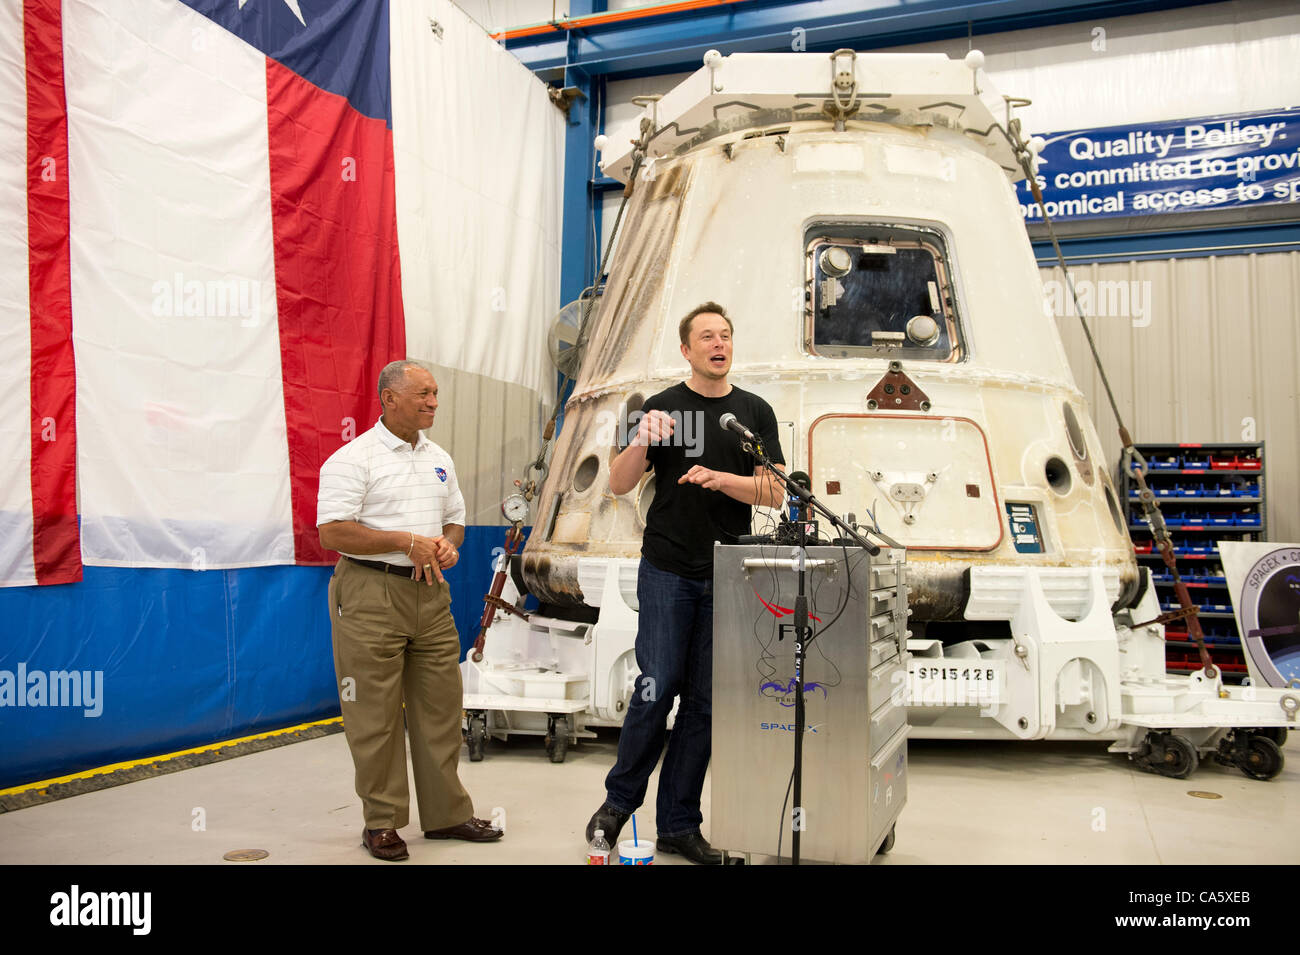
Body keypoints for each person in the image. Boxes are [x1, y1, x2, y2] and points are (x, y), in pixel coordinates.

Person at [586, 302, 785, 865]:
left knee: (704, 704)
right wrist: (641, 440)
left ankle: (678, 824)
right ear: (686, 349)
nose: (718, 344)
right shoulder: (662, 408)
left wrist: (723, 479)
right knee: (657, 688)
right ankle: (616, 807)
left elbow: (773, 491)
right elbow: (620, 485)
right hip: (669, 571)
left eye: (725, 335)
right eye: (707, 337)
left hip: (728, 574)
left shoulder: (751, 413)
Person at [317, 360, 502, 861]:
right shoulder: (353, 459)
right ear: (389, 398)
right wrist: (406, 541)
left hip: (430, 594)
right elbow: (332, 532)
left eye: (436, 394)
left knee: (442, 709)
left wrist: (447, 546)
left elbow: (455, 521)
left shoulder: (440, 458)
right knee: (373, 715)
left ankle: (446, 815)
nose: (433, 402)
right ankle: (381, 822)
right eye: (422, 394)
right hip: (370, 594)